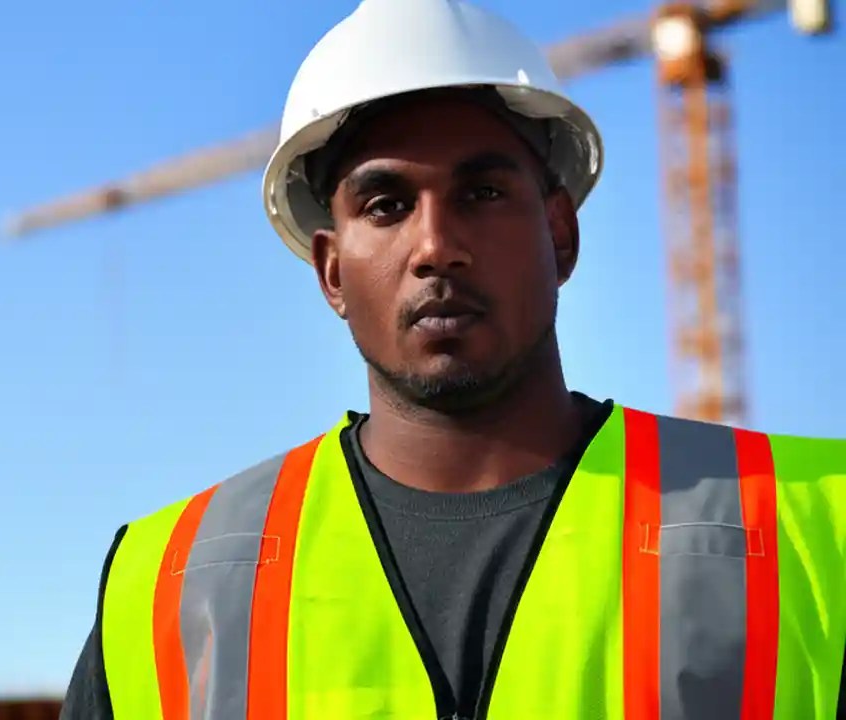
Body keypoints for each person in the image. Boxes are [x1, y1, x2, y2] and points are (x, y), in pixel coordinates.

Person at [59, 0, 846, 717]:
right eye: (387, 205)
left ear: (561, 235)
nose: (436, 246)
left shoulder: (819, 524)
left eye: (483, 194)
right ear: (331, 270)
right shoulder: (167, 590)